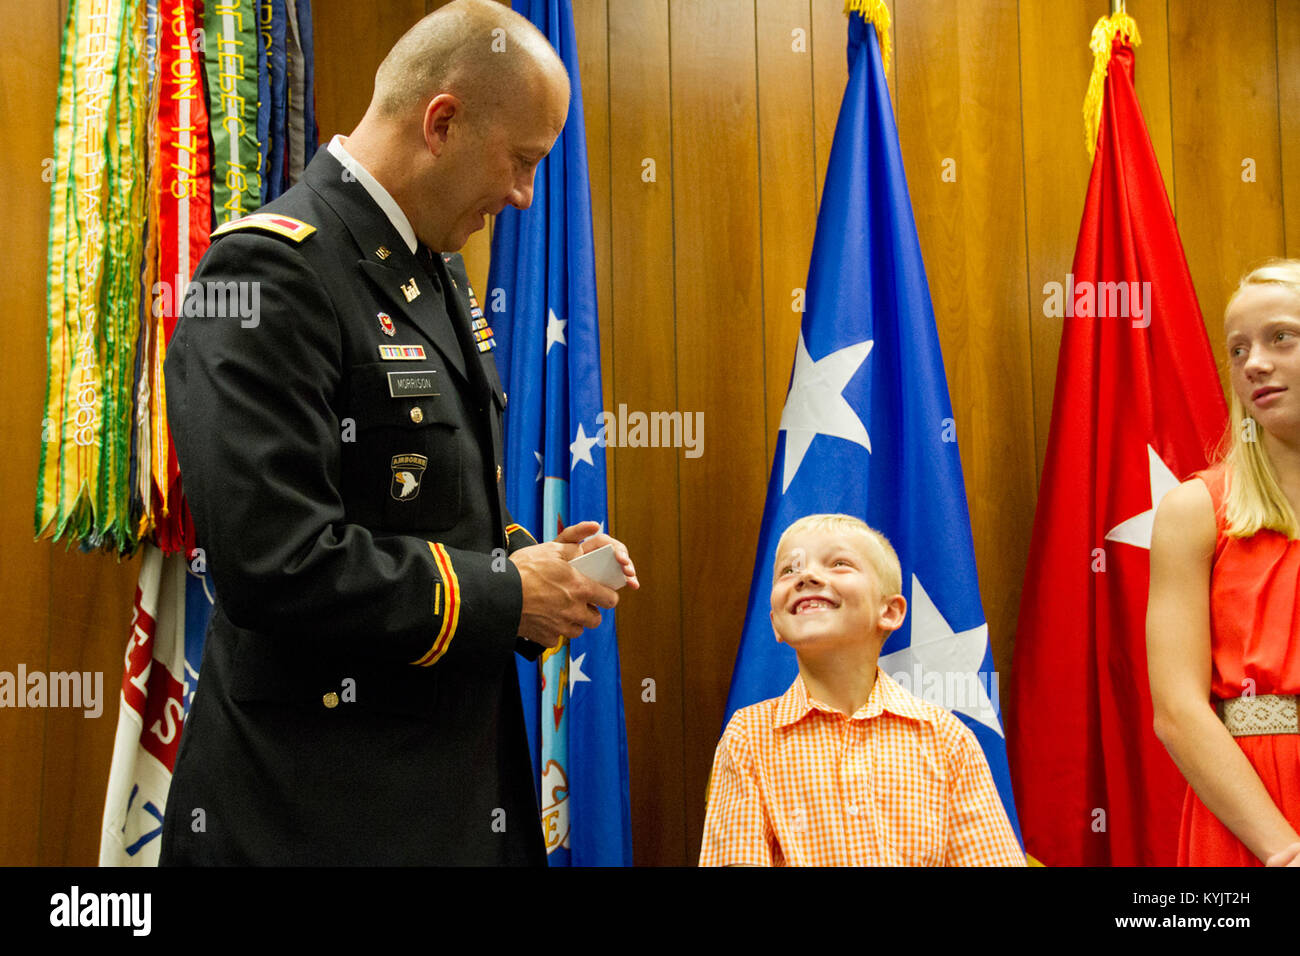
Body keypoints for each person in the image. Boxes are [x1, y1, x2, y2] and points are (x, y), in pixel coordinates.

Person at [159, 0, 636, 866]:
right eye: (521, 162)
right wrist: (503, 590)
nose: (525, 196)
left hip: (445, 803)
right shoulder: (272, 269)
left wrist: (537, 565)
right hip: (314, 818)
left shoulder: (432, 269)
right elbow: (276, 560)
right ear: (442, 121)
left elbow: (412, 501)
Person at [698, 514, 1024, 866]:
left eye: (839, 564)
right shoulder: (748, 737)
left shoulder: (947, 740)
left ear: (890, 611)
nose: (806, 576)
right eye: (789, 571)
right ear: (776, 623)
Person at [1149, 259, 1300, 867]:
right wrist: (1283, 852)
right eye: (1237, 350)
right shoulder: (1197, 509)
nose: (1254, 363)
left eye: (1280, 338)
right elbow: (1178, 712)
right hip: (1252, 822)